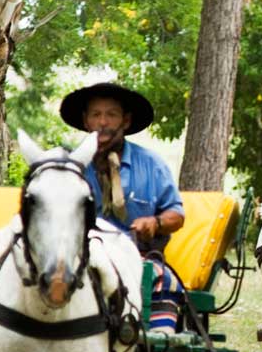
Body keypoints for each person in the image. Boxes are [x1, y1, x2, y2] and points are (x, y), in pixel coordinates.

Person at [59, 81, 185, 332]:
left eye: (111, 114)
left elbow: (177, 216)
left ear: (125, 121)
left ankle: (157, 347)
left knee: (165, 280)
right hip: (79, 257)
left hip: (137, 258)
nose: (103, 122)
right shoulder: (69, 166)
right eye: (96, 114)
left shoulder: (152, 164)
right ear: (86, 121)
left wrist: (155, 222)